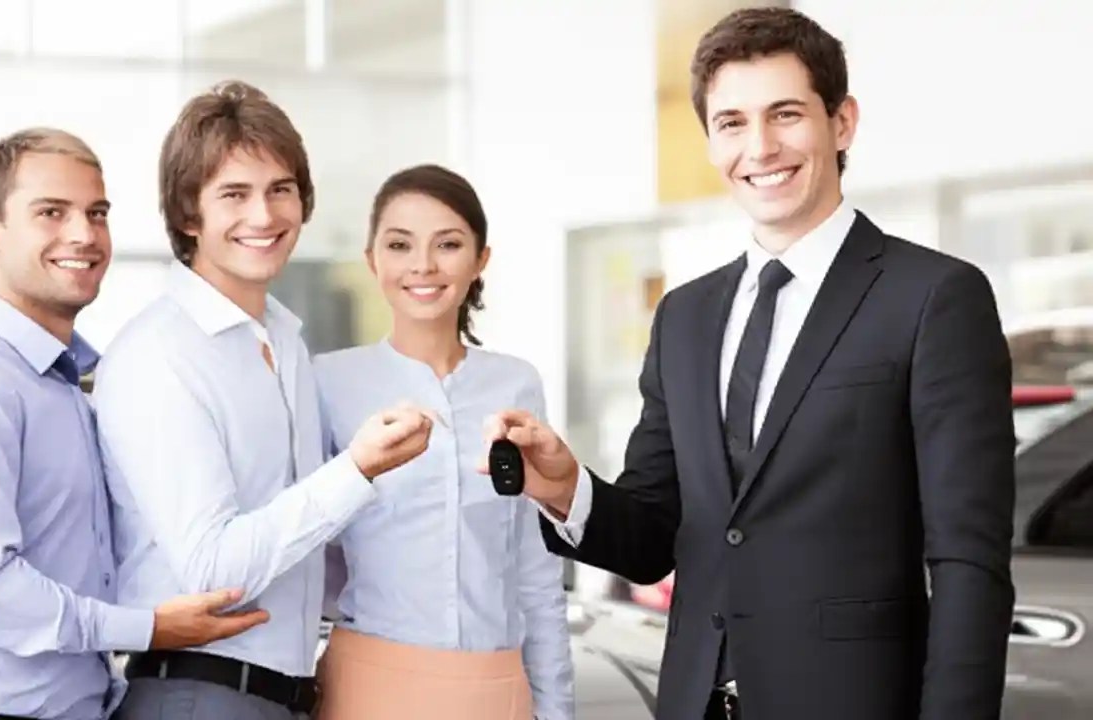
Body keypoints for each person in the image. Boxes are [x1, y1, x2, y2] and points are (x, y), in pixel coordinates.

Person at [483, 8, 1016, 720]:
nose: (760, 147)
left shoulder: (933, 298)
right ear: (710, 140)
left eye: (786, 114)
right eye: (732, 122)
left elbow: (969, 564)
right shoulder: (685, 316)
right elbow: (655, 538)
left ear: (843, 122)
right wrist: (568, 488)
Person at [0, 128, 270, 720]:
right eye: (51, 213)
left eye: (97, 212)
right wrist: (149, 629)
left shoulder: (67, 385)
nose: (84, 235)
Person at [91, 82, 434, 720]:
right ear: (188, 215)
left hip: (287, 695)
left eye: (281, 189)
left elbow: (308, 555)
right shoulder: (158, 355)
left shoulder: (285, 339)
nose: (265, 216)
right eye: (234, 195)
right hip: (198, 696)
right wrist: (355, 470)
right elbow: (214, 570)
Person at [312, 165, 575, 720]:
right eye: (400, 245)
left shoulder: (516, 384)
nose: (423, 266)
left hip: (495, 683)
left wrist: (557, 712)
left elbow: (535, 570)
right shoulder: (329, 383)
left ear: (481, 258)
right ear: (372, 260)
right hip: (369, 682)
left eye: (448, 244)